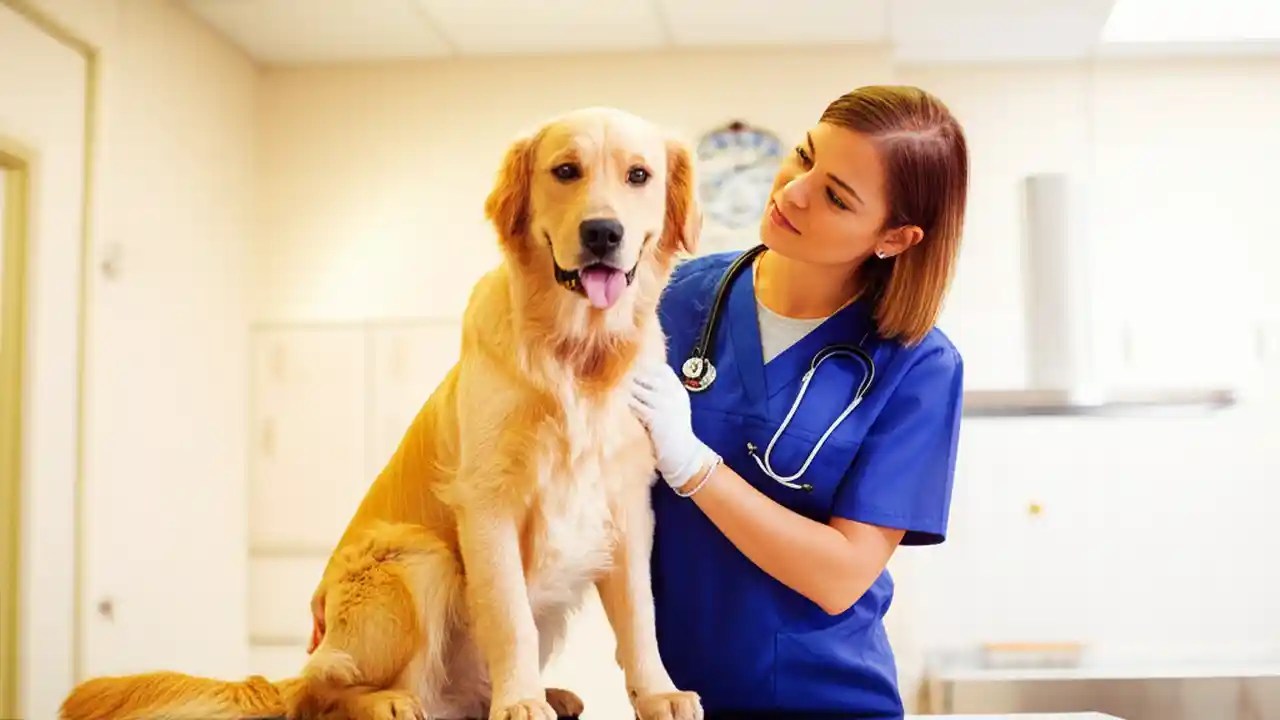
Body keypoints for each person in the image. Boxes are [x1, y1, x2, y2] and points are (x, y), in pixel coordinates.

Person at [628, 85, 968, 719]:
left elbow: (840, 577)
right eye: (803, 156)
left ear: (894, 237)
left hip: (828, 700)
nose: (793, 192)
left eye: (837, 196)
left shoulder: (918, 364)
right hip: (675, 699)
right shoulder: (671, 298)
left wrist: (695, 468)